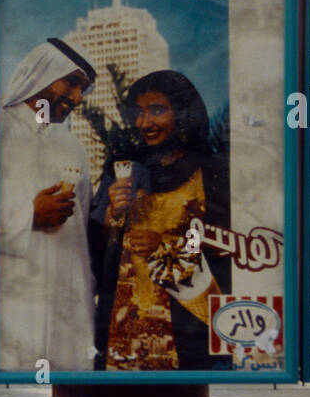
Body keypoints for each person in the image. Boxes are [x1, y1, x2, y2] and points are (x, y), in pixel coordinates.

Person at [90, 69, 230, 371]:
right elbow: (94, 249)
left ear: (184, 113)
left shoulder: (212, 170)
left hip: (187, 323)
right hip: (124, 324)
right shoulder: (126, 165)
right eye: (139, 113)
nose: (144, 123)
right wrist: (114, 211)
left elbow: (225, 244)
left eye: (157, 110)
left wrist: (165, 246)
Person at [0, 37, 98, 372]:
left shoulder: (71, 145)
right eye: (71, 83)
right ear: (40, 73)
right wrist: (30, 216)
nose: (77, 98)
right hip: (17, 300)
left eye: (82, 89)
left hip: (70, 299)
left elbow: (86, 226)